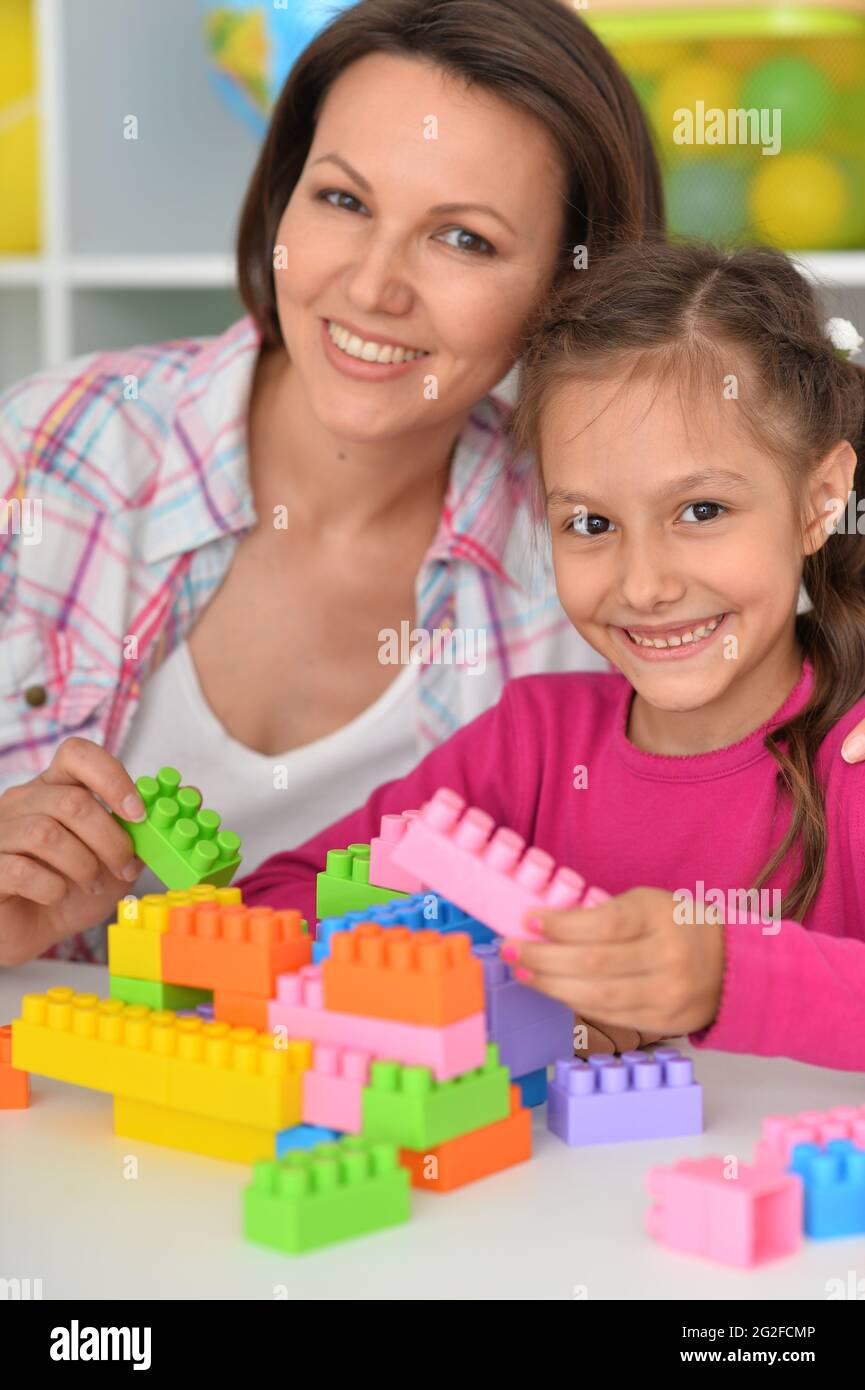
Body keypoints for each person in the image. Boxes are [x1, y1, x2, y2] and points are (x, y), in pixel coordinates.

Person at [0, 0, 665, 968]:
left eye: (464, 239)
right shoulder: (49, 451)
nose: (372, 287)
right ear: (281, 202)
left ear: (568, 292)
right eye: (344, 202)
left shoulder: (594, 577)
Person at [235, 240, 865, 1070]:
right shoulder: (530, 744)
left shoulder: (851, 760)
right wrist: (498, 994)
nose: (643, 585)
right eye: (591, 525)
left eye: (701, 509)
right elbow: (273, 904)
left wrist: (724, 976)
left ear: (819, 501)